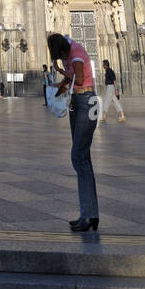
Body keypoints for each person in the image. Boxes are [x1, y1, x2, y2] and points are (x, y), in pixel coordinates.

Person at [48, 32, 99, 232]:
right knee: (83, 158)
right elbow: (70, 83)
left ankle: (89, 214)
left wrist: (61, 70)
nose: (60, 59)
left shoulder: (76, 52)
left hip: (87, 102)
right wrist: (56, 88)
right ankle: (89, 214)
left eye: (59, 56)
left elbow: (78, 80)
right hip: (77, 103)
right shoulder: (68, 54)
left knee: (78, 157)